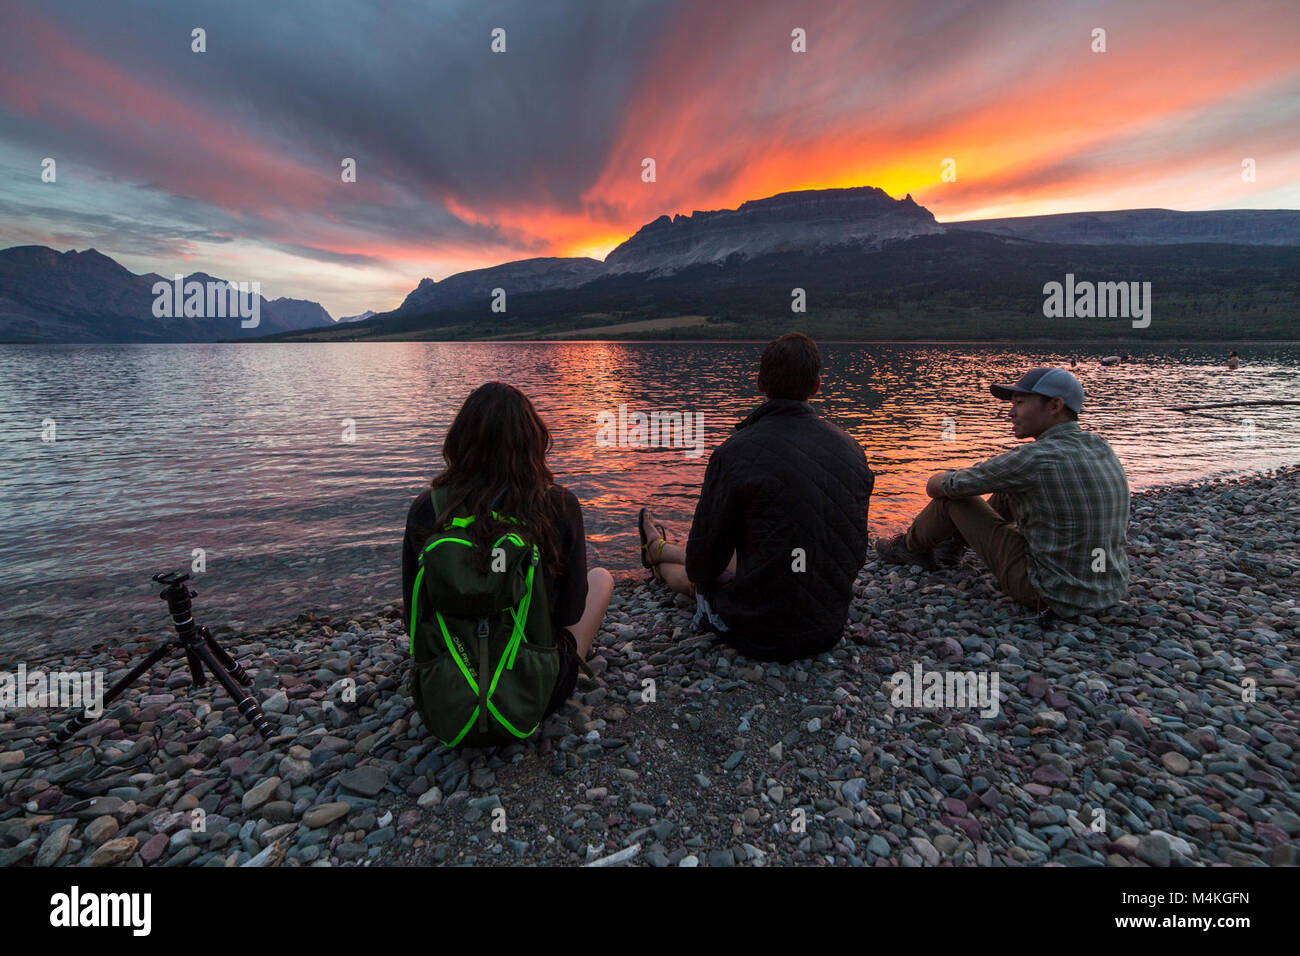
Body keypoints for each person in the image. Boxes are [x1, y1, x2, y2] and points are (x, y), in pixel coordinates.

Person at [638, 333, 874, 661]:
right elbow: (855, 550)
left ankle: (657, 559)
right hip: (829, 625)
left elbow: (701, 566)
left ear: (759, 383)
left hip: (759, 633)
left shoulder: (734, 453)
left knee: (696, 580)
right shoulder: (852, 449)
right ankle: (659, 548)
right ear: (817, 387)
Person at [402, 382, 613, 720]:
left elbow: (414, 620)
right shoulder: (558, 504)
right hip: (536, 692)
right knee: (601, 578)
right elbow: (571, 613)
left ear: (459, 441)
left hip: (447, 698)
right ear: (533, 441)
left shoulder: (428, 509)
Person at [876, 367, 1130, 619]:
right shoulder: (1100, 445)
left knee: (952, 501)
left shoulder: (1035, 458)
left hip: (1052, 594)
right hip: (1107, 590)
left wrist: (939, 476)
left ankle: (910, 548)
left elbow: (943, 487)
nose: (1011, 412)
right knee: (1008, 489)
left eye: (1019, 403)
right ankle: (952, 546)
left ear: (1054, 406)